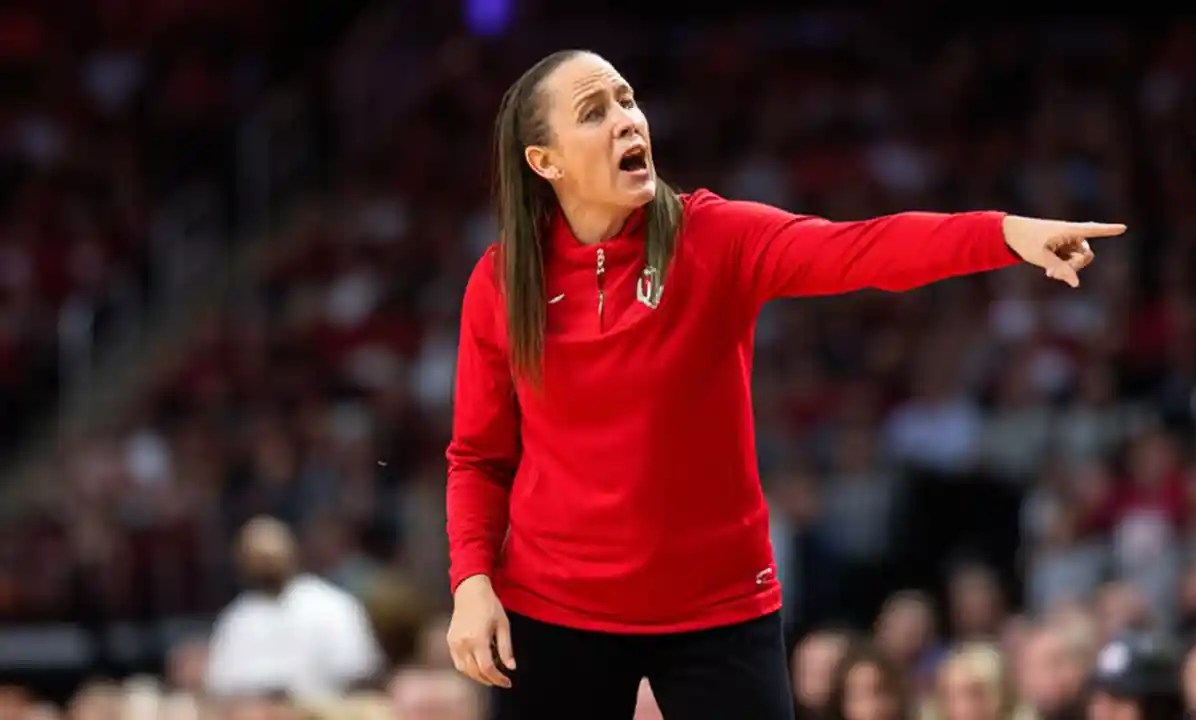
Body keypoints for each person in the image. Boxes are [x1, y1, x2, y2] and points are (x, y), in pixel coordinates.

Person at [445, 48, 1126, 720]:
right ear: (546, 160)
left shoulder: (713, 237)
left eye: (627, 99)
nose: (627, 120)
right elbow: (479, 456)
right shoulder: (503, 281)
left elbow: (861, 249)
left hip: (718, 608)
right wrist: (473, 581)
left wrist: (1004, 233)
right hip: (557, 608)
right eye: (595, 112)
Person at [204, 516, 384, 704]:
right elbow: (220, 684)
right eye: (255, 556)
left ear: (292, 552)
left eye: (270, 555)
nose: (264, 563)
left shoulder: (332, 605)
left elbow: (359, 670)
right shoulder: (237, 618)